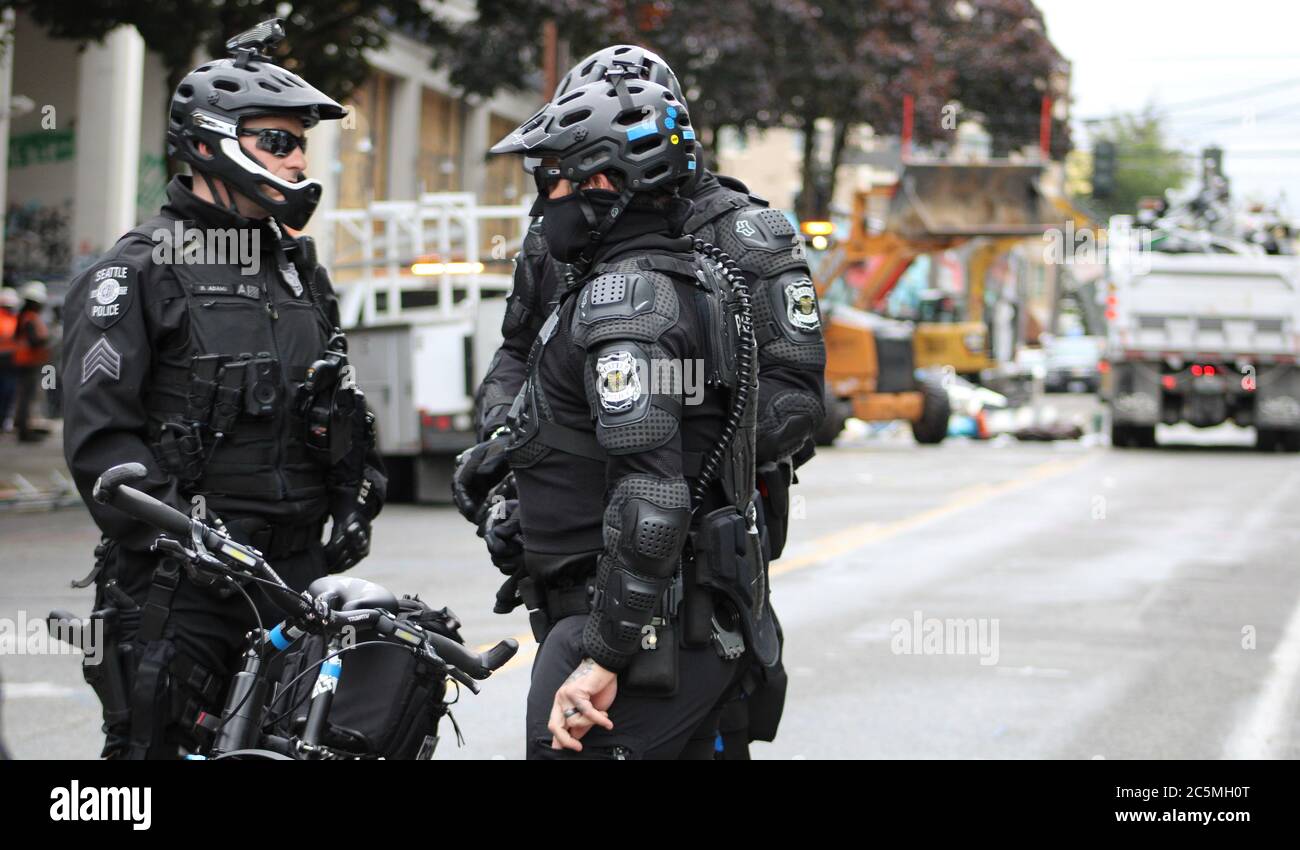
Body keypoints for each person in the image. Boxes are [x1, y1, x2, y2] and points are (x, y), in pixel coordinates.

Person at [458, 45, 826, 758]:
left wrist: (668, 435)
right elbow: (518, 357)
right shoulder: (562, 237)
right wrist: (513, 460)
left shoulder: (747, 235)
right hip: (592, 563)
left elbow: (797, 406)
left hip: (686, 555)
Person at [60, 20, 385, 759]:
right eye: (279, 141)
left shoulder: (299, 268)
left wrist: (359, 485)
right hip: (184, 589)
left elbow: (333, 400)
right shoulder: (137, 270)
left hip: (296, 576)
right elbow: (100, 442)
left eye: (300, 141)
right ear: (209, 143)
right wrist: (185, 537)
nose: (298, 158)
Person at [13, 280, 51, 442]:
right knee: (27, 398)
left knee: (25, 397)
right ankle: (24, 430)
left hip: (26, 361)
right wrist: (46, 339)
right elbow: (34, 340)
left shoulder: (24, 316)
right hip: (29, 362)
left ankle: (23, 427)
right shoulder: (29, 318)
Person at [0, 287, 18, 432]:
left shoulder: (13, 319)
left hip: (10, 360)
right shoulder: (10, 319)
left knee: (8, 392)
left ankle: (5, 421)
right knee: (7, 392)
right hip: (7, 360)